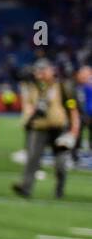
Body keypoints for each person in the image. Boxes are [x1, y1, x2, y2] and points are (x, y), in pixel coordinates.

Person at [13, 59, 80, 199]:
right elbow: (29, 106)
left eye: (43, 70)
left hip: (59, 128)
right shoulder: (34, 88)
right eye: (38, 71)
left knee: (60, 162)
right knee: (32, 158)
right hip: (39, 128)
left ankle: (59, 189)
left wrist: (74, 130)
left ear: (51, 70)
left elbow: (73, 109)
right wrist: (28, 118)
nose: (40, 74)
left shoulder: (63, 87)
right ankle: (26, 187)